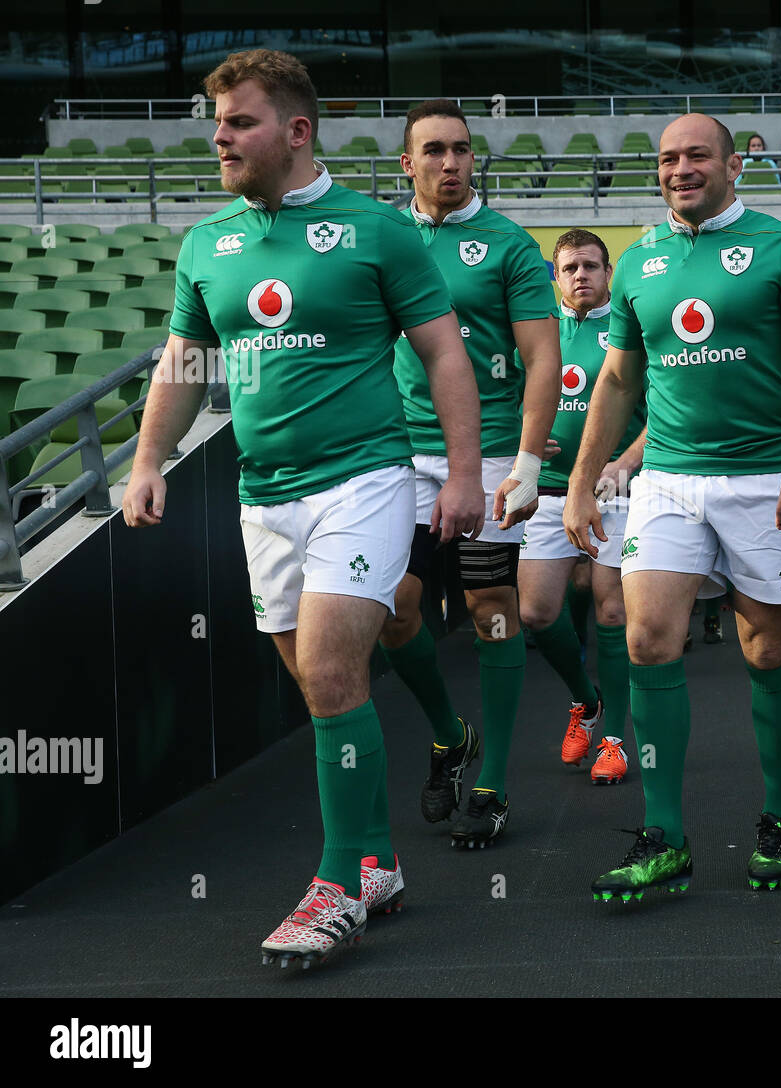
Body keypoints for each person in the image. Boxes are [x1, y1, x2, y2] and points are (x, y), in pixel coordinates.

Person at [122, 50, 485, 967]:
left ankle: (333, 887)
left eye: (239, 122)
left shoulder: (377, 231)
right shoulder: (208, 243)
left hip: (363, 480)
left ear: (296, 130)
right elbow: (184, 363)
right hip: (263, 496)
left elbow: (445, 355)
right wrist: (148, 459)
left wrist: (464, 475)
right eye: (217, 123)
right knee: (326, 691)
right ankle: (378, 864)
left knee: (329, 673)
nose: (220, 138)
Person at [565, 114, 781, 902]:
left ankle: (778, 824)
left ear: (731, 165)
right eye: (666, 159)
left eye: (695, 155)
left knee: (767, 656)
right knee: (649, 641)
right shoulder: (640, 261)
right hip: (669, 484)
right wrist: (586, 480)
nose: (679, 168)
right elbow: (618, 381)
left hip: (764, 482)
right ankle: (665, 837)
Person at [385, 98, 561, 849]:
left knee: (493, 605)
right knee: (393, 611)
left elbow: (542, 358)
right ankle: (450, 735)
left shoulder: (510, 245)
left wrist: (525, 464)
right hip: (397, 456)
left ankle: (492, 787)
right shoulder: (382, 237)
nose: (450, 163)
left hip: (486, 453)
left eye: (461, 149)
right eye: (434, 151)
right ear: (408, 163)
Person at [516, 229, 646, 784]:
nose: (581, 276)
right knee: (536, 613)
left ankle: (615, 736)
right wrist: (519, 439)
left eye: (591, 266)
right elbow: (500, 393)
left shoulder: (628, 330)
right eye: (570, 268)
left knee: (611, 607)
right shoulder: (536, 330)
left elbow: (665, 408)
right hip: (546, 488)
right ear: (556, 274)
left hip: (615, 489)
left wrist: (626, 462)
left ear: (608, 271)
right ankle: (585, 701)